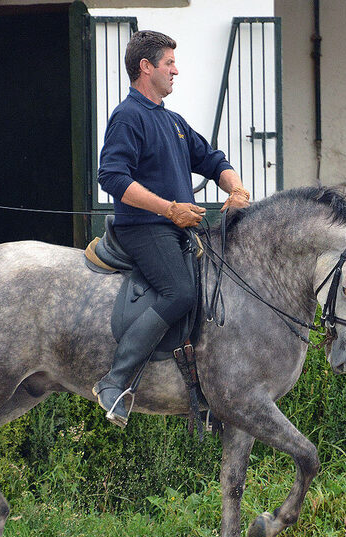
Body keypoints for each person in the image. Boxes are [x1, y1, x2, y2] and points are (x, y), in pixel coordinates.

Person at [95, 30, 251, 428]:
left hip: (177, 231)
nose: (176, 70)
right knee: (180, 291)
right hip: (143, 229)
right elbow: (111, 176)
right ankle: (114, 382)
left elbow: (213, 161)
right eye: (169, 63)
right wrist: (169, 209)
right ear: (146, 67)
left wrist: (236, 188)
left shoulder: (173, 121)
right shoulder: (127, 116)